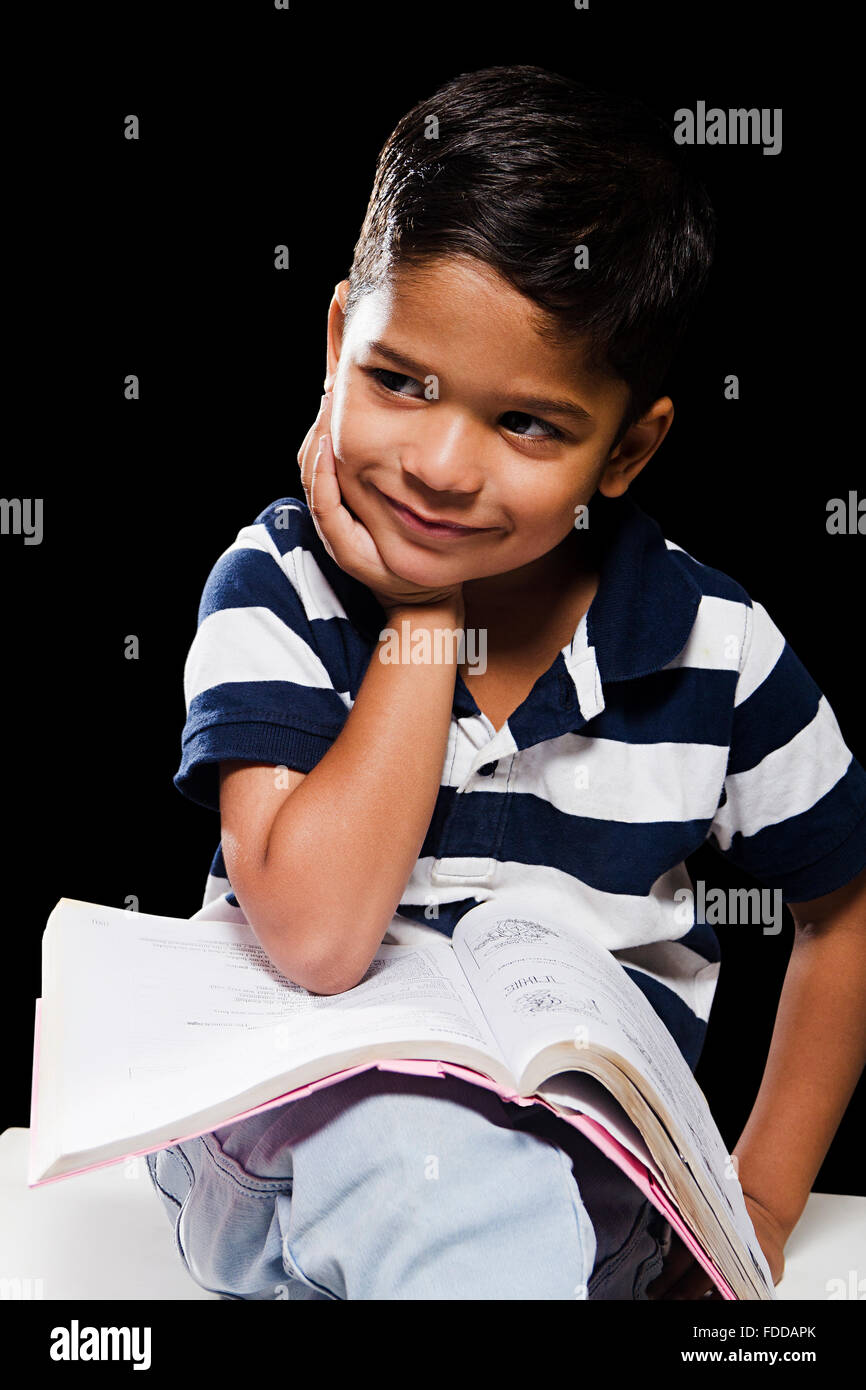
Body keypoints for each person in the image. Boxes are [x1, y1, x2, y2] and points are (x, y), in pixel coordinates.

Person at [146, 65, 866, 1300]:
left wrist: (755, 1188)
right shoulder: (272, 589)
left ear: (626, 447)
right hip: (276, 1158)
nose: (437, 465)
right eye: (395, 382)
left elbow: (840, 911)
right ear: (335, 341)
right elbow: (318, 938)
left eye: (525, 425)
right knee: (426, 1154)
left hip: (587, 1186)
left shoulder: (715, 644)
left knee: (515, 1198)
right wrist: (423, 619)